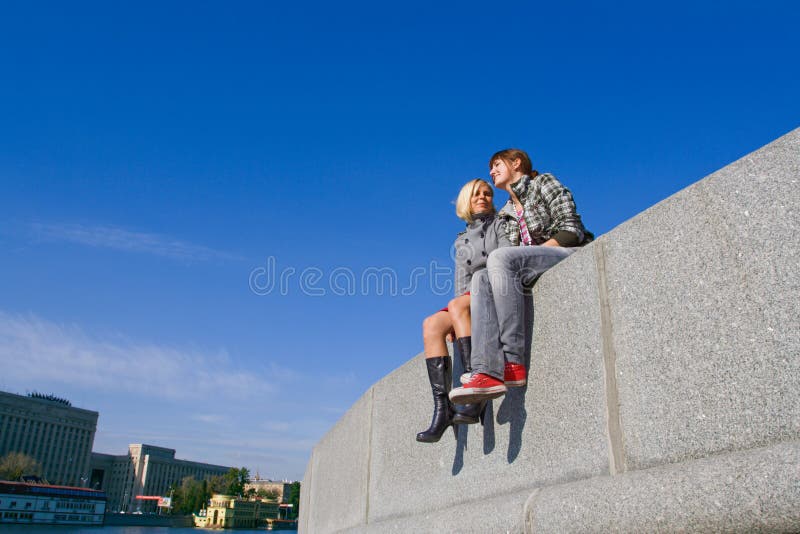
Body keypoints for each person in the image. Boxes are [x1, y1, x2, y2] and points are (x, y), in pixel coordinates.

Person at [449, 149, 593, 405]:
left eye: (496, 165)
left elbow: (572, 229)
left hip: (565, 252)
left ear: (516, 163)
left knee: (499, 258)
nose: (491, 171)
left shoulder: (542, 183)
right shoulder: (506, 212)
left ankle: (513, 361)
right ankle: (486, 372)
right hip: (530, 269)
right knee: (481, 277)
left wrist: (532, 255)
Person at [416, 179, 511, 442]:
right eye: (476, 194)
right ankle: (442, 408)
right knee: (431, 325)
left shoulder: (501, 223)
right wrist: (456, 321)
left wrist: (460, 308)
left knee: (459, 304)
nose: (483, 197)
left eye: (488, 193)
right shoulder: (461, 241)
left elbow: (507, 259)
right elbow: (461, 284)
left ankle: (474, 389)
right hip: (470, 297)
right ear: (465, 202)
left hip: (495, 286)